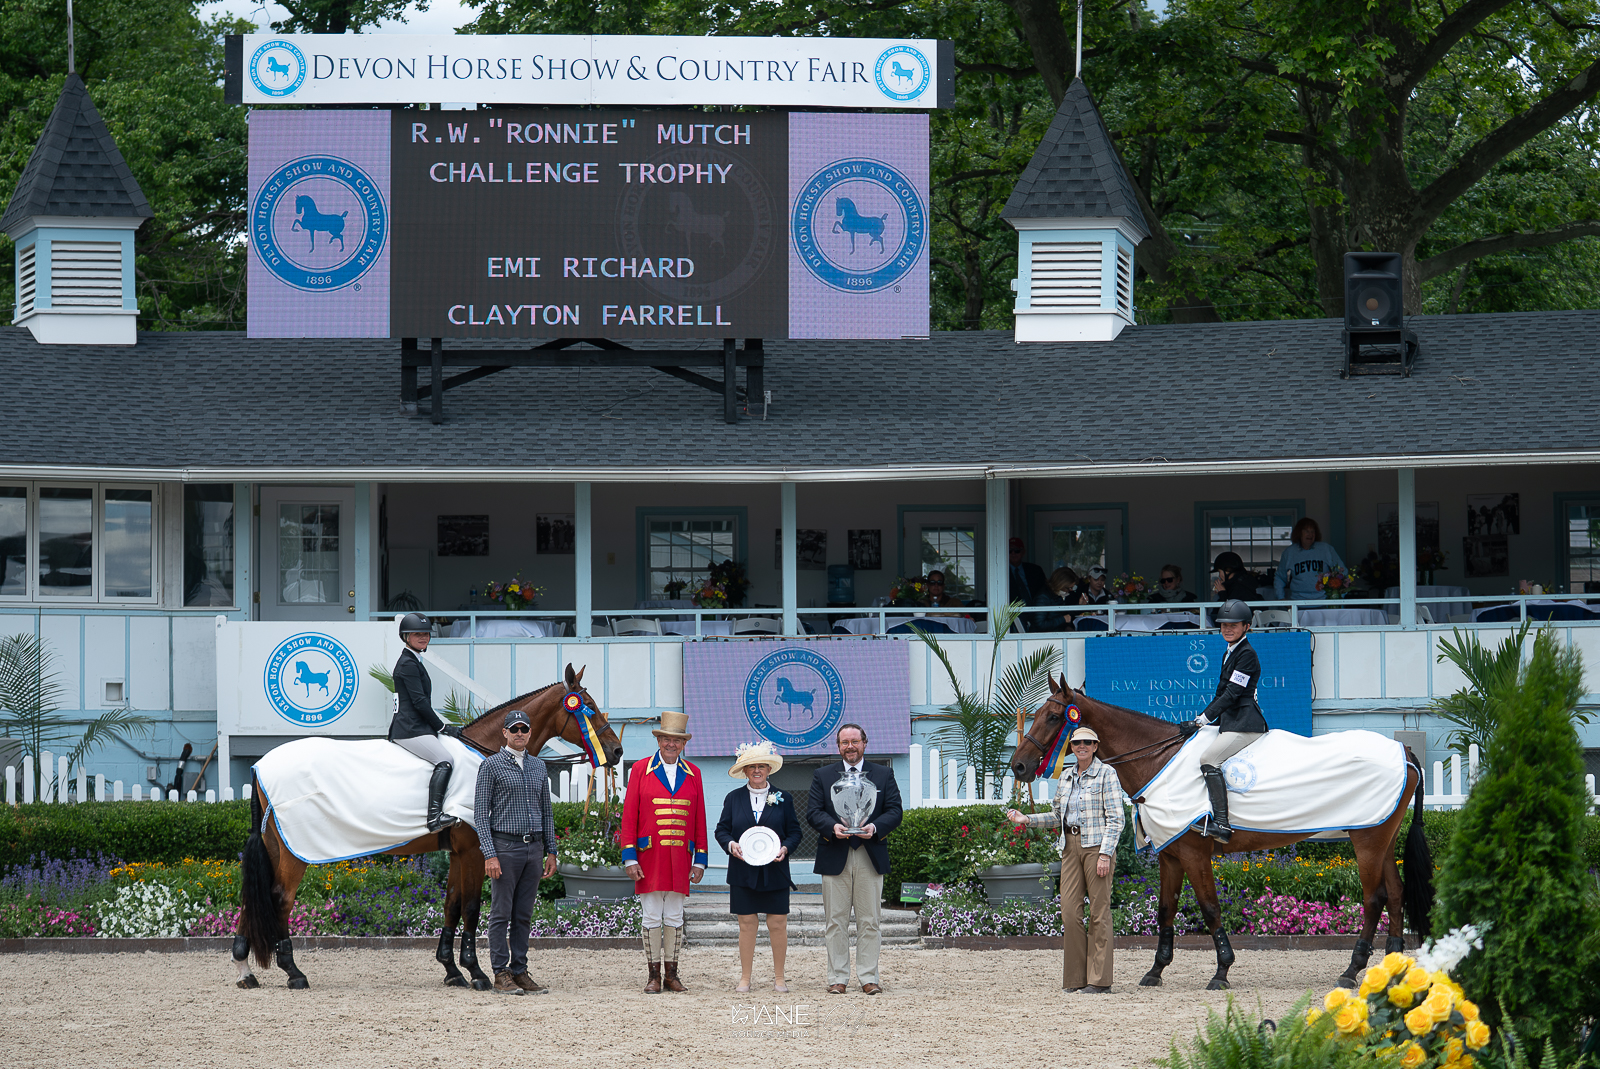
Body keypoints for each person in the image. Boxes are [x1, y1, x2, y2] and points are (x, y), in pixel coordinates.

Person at [1006, 726, 1124, 993]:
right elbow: (1056, 815)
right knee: (1069, 912)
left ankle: (1099, 980)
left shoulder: (1107, 774)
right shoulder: (1067, 776)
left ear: (1095, 746)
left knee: (1099, 913)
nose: (1081, 746)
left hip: (1096, 847)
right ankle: (1075, 979)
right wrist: (1027, 820)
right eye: (1077, 742)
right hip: (1069, 847)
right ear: (1071, 747)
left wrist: (1105, 854)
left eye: (1087, 742)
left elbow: (1117, 819)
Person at [806, 723, 903, 995]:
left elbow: (895, 810)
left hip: (870, 854)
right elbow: (813, 812)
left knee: (869, 920)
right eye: (844, 742)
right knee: (835, 921)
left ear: (865, 743)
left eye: (855, 741)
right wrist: (831, 827)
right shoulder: (822, 775)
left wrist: (876, 827)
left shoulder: (883, 775)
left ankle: (868, 977)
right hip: (834, 853)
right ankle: (838, 977)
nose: (850, 746)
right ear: (838, 746)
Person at [621, 710, 708, 993]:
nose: (672, 745)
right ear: (659, 741)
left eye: (677, 741)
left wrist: (701, 861)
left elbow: (700, 819)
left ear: (683, 744)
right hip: (648, 857)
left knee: (674, 915)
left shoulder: (694, 773)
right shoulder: (639, 770)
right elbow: (629, 817)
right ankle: (653, 976)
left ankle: (672, 974)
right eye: (667, 739)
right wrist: (629, 856)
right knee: (650, 915)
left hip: (681, 858)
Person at [474, 708, 558, 995]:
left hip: (533, 848)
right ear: (505, 733)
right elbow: (481, 814)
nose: (520, 733)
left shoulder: (538, 767)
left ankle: (520, 970)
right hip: (505, 847)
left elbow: (547, 811)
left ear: (530, 733)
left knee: (523, 914)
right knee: (501, 913)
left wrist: (551, 850)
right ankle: (500, 972)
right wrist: (489, 853)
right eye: (515, 729)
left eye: (524, 729)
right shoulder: (491, 766)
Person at [715, 741, 802, 994]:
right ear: (744, 770)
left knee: (777, 923)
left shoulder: (784, 797)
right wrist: (731, 845)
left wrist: (785, 848)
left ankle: (779, 978)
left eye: (761, 766)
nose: (756, 770)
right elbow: (722, 830)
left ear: (768, 769)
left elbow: (795, 832)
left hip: (775, 870)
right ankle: (745, 978)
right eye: (751, 766)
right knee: (746, 924)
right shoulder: (733, 798)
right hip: (743, 871)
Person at [1182, 598, 1269, 843]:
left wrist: (1202, 720)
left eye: (1234, 625)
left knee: (1209, 759)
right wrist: (1202, 720)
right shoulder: (1230, 651)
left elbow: (1232, 694)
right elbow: (1221, 695)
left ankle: (1222, 824)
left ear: (1247, 626)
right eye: (1223, 625)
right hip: (1230, 720)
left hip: (1246, 723)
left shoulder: (1247, 655)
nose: (1227, 629)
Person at [388, 612, 461, 832]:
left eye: (426, 634)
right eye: (417, 634)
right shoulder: (408, 664)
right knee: (445, 760)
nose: (423, 637)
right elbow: (419, 702)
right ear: (406, 636)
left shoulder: (414, 660)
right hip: (409, 729)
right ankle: (434, 817)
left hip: (417, 726)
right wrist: (441, 727)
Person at [1273, 518, 1346, 600]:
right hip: (1298, 602)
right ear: (1299, 533)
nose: (1310, 535)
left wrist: (1339, 596)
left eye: (1312, 531)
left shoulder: (1326, 549)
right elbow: (1280, 576)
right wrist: (1281, 598)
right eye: (1306, 531)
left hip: (1324, 601)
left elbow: (1342, 572)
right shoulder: (1289, 552)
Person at [1008, 537, 1049, 619]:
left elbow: (1046, 591)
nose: (1013, 553)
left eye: (1017, 550)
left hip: (1037, 611)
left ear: (1023, 552)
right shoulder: (1001, 573)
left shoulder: (1035, 570)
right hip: (1013, 615)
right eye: (1009, 551)